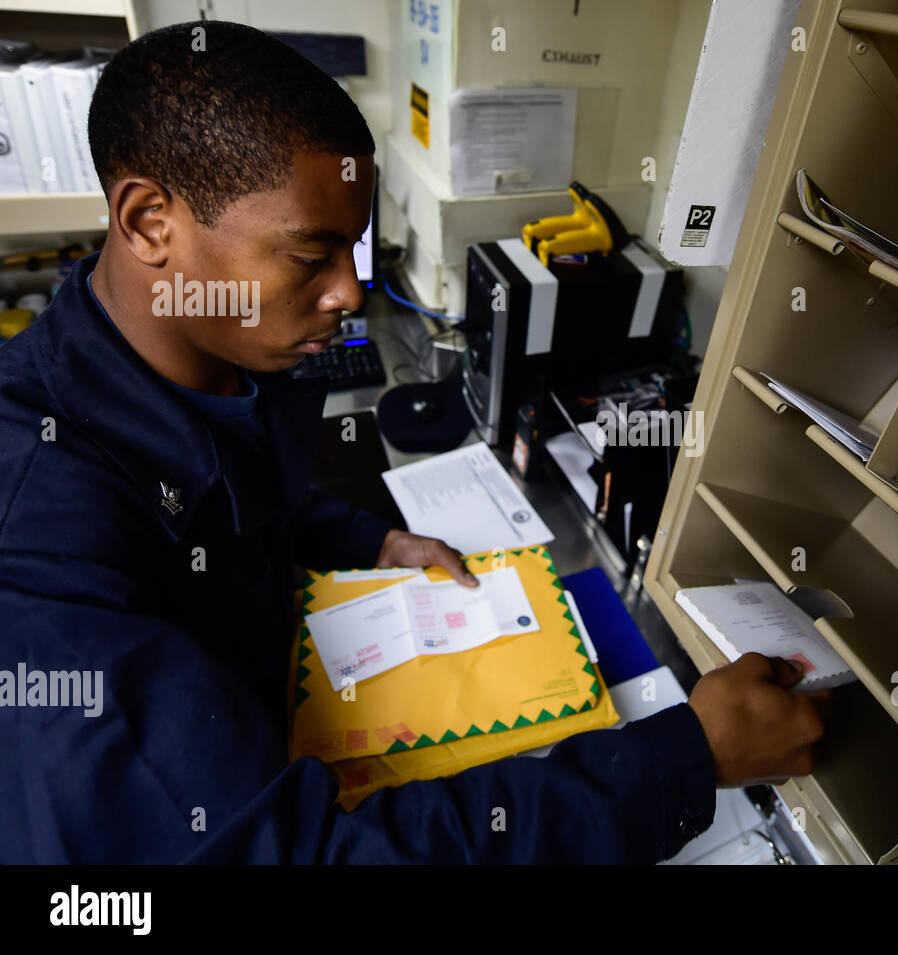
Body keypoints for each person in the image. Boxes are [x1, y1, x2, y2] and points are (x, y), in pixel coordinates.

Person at [0, 21, 825, 863]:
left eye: (352, 252)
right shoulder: (39, 549)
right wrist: (687, 760)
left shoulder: (228, 353)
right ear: (148, 223)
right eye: (310, 256)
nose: (351, 293)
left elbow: (233, 503)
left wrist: (371, 538)